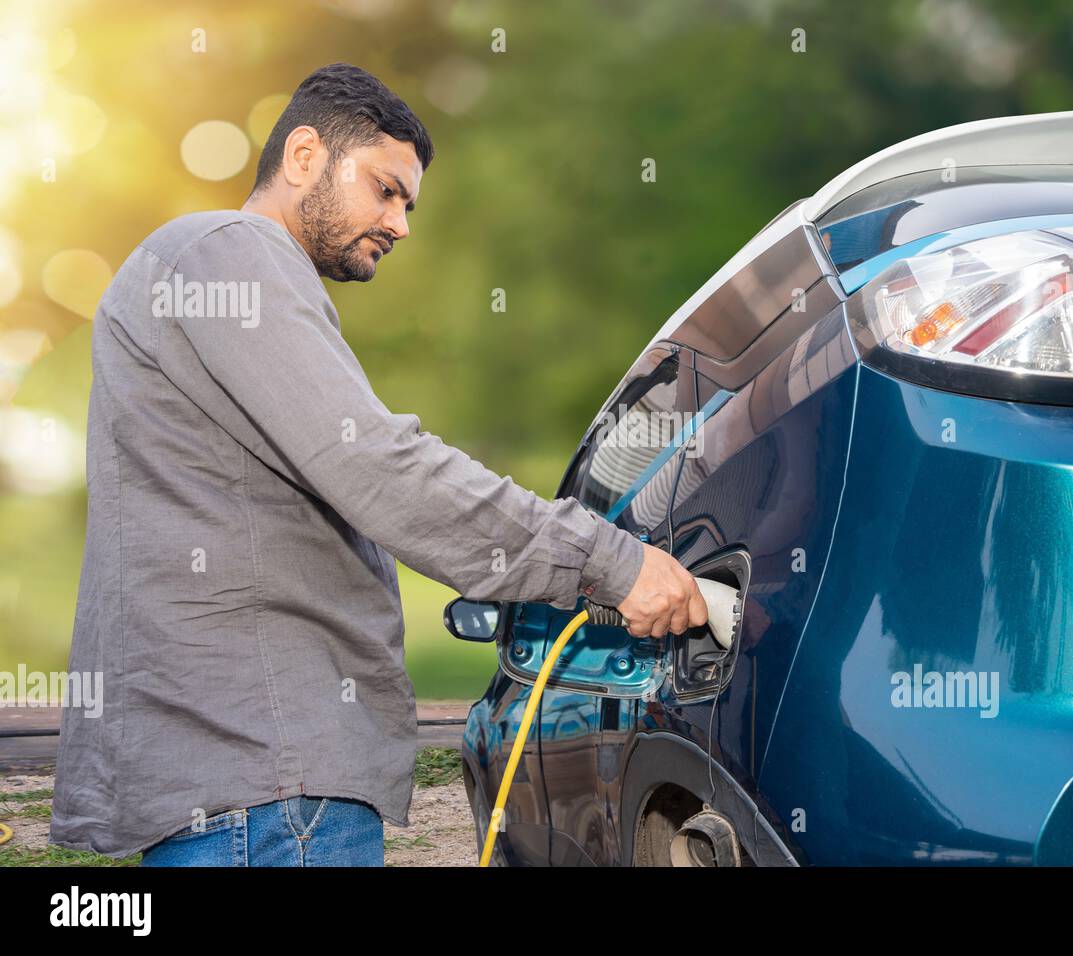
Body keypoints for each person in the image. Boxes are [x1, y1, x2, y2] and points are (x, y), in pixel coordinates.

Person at [48, 62, 706, 866]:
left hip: (246, 791)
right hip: (268, 790)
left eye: (409, 203)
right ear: (302, 156)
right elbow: (384, 470)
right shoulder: (229, 254)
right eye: (385, 189)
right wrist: (612, 561)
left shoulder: (213, 273)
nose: (400, 223)